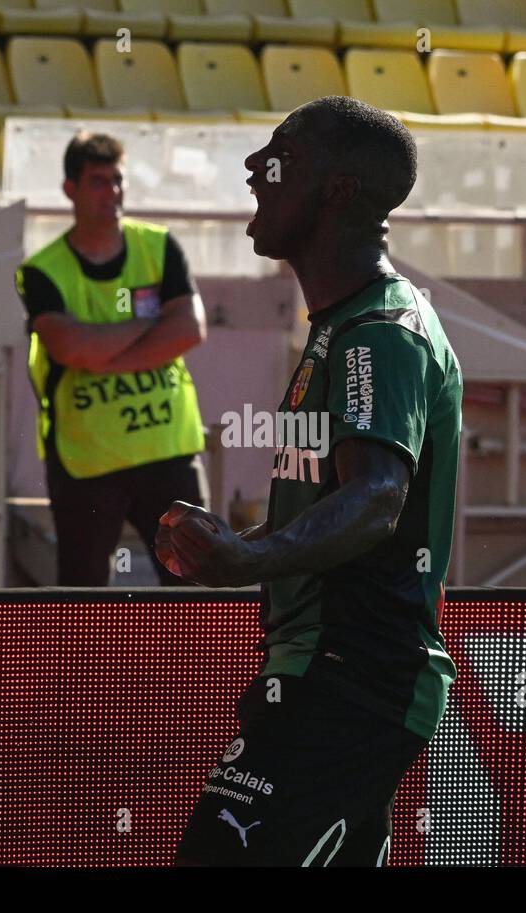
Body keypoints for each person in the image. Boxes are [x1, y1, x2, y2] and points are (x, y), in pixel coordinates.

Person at [159, 96, 464, 866]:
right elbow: (340, 507)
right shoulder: (339, 328)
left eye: (279, 157)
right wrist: (239, 546)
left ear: (338, 191)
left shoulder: (378, 334)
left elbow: (376, 501)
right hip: (326, 673)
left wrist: (250, 562)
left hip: (349, 679)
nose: (253, 171)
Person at [16, 131, 209, 586]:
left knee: (196, 583)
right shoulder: (42, 271)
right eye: (99, 182)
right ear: (70, 189)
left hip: (168, 450)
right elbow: (69, 347)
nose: (113, 193)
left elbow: (190, 330)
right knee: (83, 594)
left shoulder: (159, 245)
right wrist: (151, 325)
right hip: (86, 461)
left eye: (118, 181)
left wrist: (104, 352)